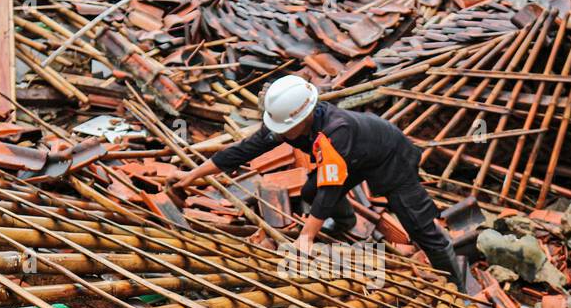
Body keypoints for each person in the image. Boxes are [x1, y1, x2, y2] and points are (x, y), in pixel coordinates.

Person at [168, 74, 466, 288]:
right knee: (309, 190)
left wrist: (307, 236)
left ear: (304, 118)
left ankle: (457, 289)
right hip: (357, 157)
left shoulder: (336, 131)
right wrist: (191, 175)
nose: (280, 134)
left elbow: (331, 186)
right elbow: (241, 151)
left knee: (418, 224)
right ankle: (346, 223)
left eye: (285, 129)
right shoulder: (289, 124)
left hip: (390, 157)